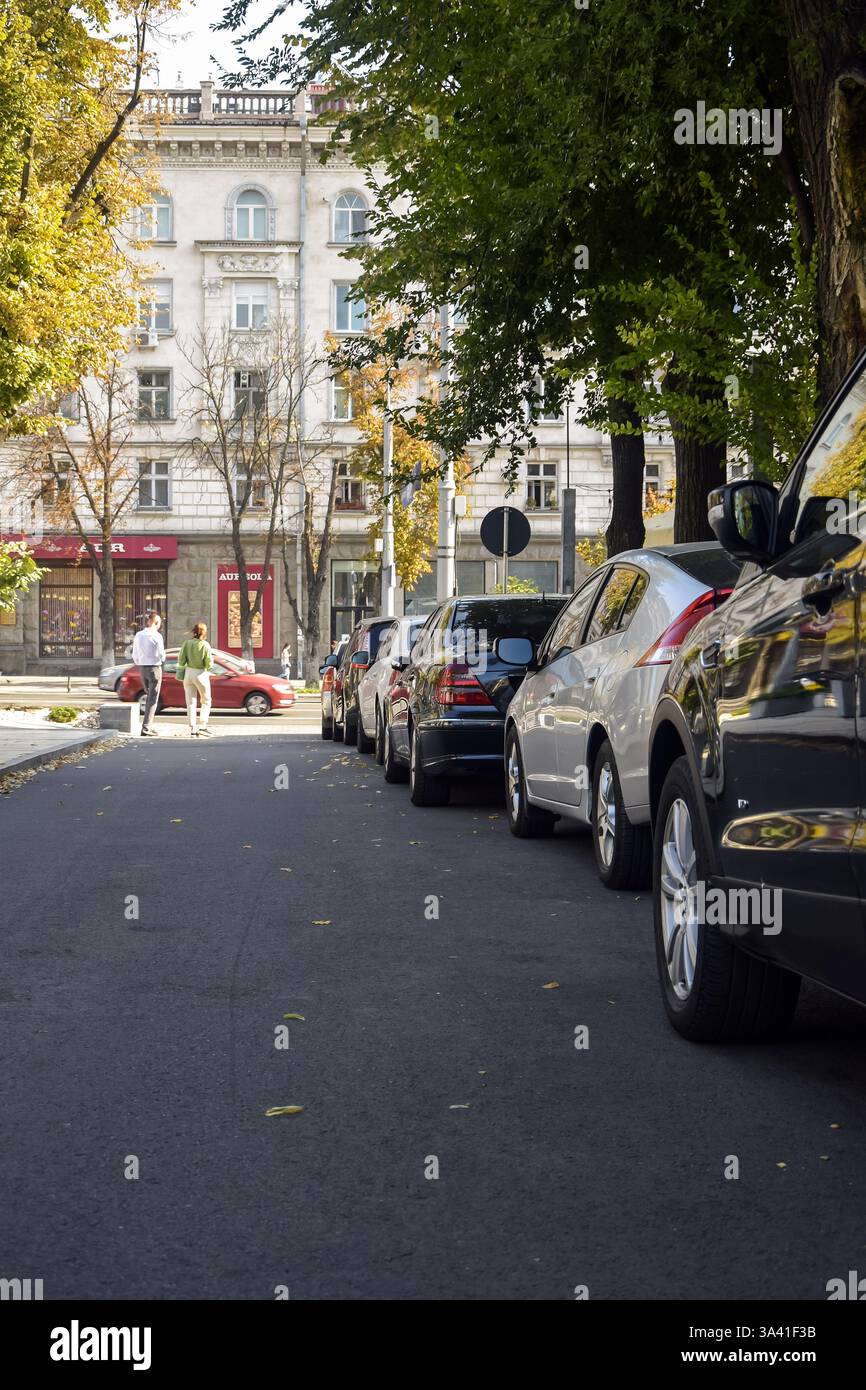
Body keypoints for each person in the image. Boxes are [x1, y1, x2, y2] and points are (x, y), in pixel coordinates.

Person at [176, 621, 214, 737]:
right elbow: (209, 663)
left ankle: (192, 729)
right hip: (201, 673)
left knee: (190, 702)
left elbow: (181, 660)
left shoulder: (187, 643)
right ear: (204, 632)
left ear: (194, 631)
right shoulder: (205, 645)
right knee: (206, 700)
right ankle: (203, 726)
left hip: (188, 673)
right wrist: (209, 668)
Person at [132, 611, 165, 737]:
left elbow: (134, 654)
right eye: (159, 623)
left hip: (142, 669)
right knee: (152, 699)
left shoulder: (139, 635)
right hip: (154, 668)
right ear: (155, 623)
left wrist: (140, 662)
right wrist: (161, 661)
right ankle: (146, 728)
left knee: (148, 695)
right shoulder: (157, 636)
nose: (159, 626)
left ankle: (148, 726)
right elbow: (161, 654)